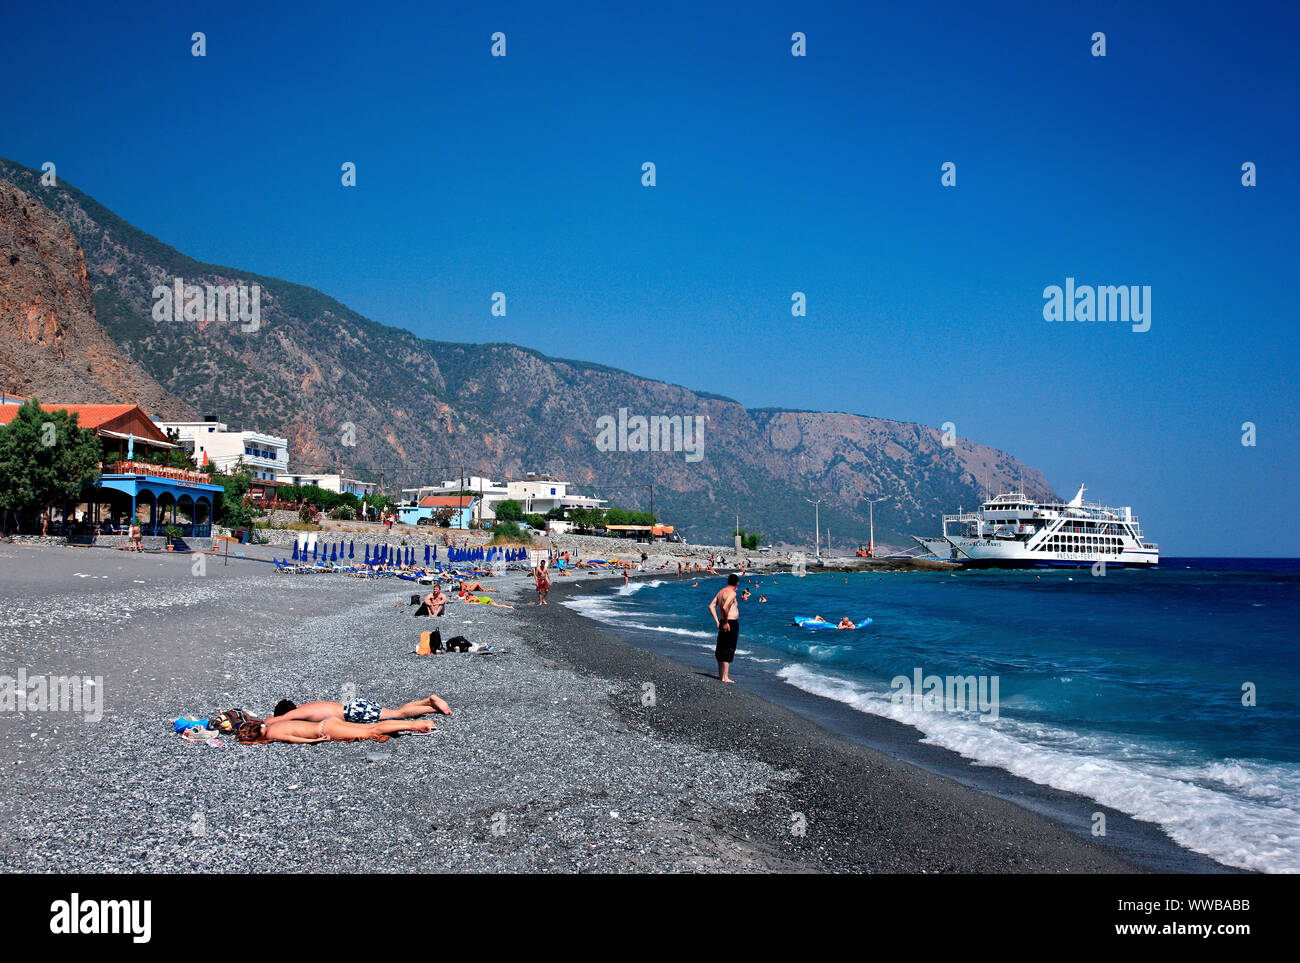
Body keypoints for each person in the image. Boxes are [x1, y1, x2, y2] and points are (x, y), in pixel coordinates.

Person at [264, 694, 452, 726]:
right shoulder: (306, 707)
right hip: (354, 706)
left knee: (398, 715)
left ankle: (433, 707)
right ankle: (428, 702)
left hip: (352, 712)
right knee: (395, 712)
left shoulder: (296, 714)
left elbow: (271, 722)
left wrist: (269, 719)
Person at [236, 717, 433, 745]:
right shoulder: (270, 726)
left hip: (324, 729)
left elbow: (293, 738)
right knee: (371, 728)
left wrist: (316, 741)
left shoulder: (272, 734)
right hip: (327, 721)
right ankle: (411, 723)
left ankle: (415, 725)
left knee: (373, 730)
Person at [708, 573, 741, 684]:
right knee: (729, 647)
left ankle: (720, 675)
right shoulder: (732, 593)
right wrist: (726, 622)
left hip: (723, 621)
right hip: (730, 623)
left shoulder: (721, 592)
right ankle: (725, 677)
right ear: (737, 583)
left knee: (721, 647)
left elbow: (711, 606)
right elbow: (724, 606)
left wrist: (718, 621)